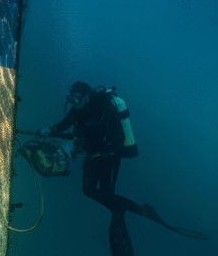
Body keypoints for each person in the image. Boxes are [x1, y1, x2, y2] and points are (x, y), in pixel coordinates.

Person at [39, 81, 207, 255]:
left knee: (106, 194)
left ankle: (134, 210)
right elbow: (65, 123)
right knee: (88, 190)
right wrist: (49, 130)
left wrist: (103, 147)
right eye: (72, 98)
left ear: (87, 95)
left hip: (109, 159)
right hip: (92, 157)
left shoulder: (104, 107)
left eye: (77, 97)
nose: (74, 102)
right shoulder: (77, 110)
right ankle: (120, 208)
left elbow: (119, 135)